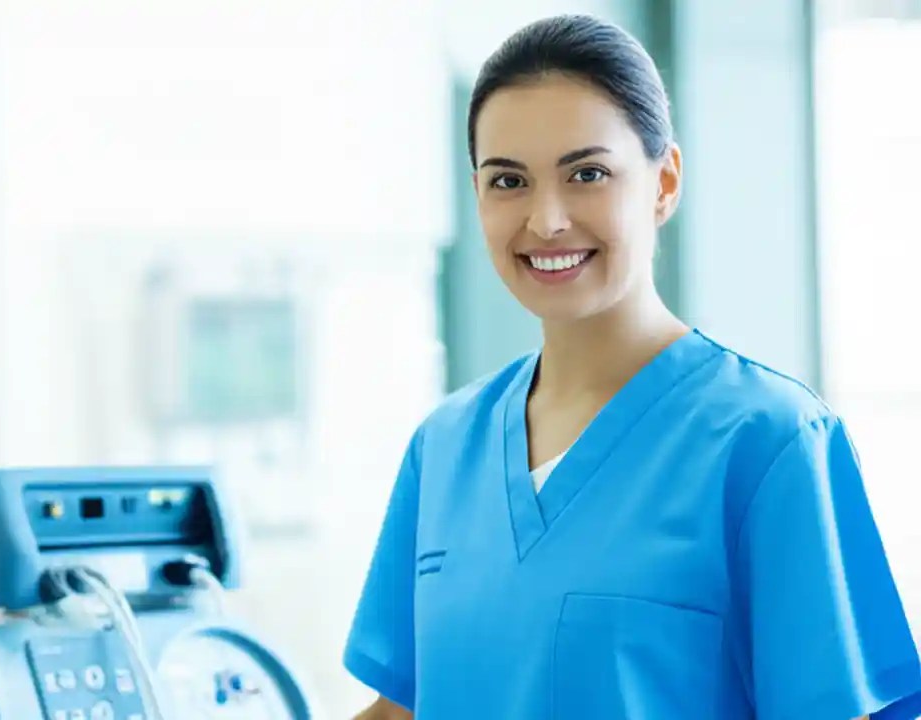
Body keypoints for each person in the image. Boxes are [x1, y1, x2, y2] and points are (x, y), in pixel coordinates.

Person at [344, 13, 921, 720]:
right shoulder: (444, 447)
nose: (547, 220)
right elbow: (402, 707)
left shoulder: (770, 440)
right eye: (508, 181)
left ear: (663, 182)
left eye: (587, 173)